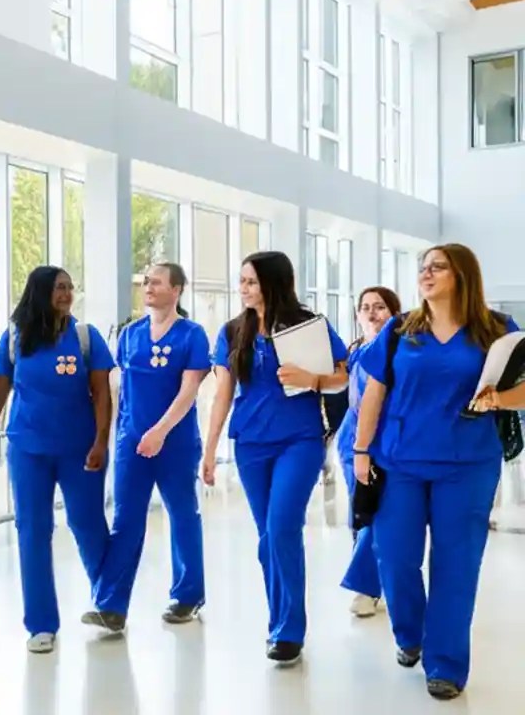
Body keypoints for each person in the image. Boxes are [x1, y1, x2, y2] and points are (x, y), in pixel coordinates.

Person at [352, 244, 517, 700]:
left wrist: (498, 401)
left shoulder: (497, 330)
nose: (426, 274)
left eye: (437, 267)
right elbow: (374, 391)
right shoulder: (401, 328)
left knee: (456, 565)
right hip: (399, 461)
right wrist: (361, 450)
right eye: (422, 268)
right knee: (395, 556)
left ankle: (445, 665)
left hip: (467, 466)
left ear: (462, 274)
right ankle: (410, 635)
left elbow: (523, 389)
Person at [203, 251, 348, 666]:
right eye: (241, 281)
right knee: (268, 536)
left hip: (299, 441)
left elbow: (343, 375)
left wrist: (313, 379)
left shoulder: (309, 325)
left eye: (250, 281)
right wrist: (210, 448)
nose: (243, 288)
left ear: (272, 282)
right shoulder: (233, 331)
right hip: (250, 443)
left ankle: (289, 630)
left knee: (283, 526)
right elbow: (223, 394)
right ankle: (278, 621)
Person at [0, 265, 115, 654]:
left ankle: (109, 602)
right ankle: (41, 624)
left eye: (70, 287)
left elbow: (102, 394)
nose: (67, 294)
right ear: (40, 291)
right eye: (59, 287)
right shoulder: (15, 338)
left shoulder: (86, 338)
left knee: (86, 523)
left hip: (80, 449)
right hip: (28, 450)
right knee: (33, 531)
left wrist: (101, 441)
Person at [87, 263, 211, 633]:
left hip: (174, 442)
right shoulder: (130, 335)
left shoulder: (192, 335)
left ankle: (188, 595)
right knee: (125, 519)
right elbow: (120, 390)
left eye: (157, 282)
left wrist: (159, 431)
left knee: (182, 514)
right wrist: (117, 434)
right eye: (146, 282)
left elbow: (189, 391)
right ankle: (111, 606)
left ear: (177, 290)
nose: (148, 287)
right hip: (132, 443)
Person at [337, 286, 402, 618]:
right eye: (365, 307)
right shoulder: (353, 351)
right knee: (359, 512)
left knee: (382, 512)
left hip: (387, 440)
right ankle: (371, 583)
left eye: (380, 307)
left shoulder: (400, 350)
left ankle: (366, 584)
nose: (372, 313)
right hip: (352, 440)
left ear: (394, 313)